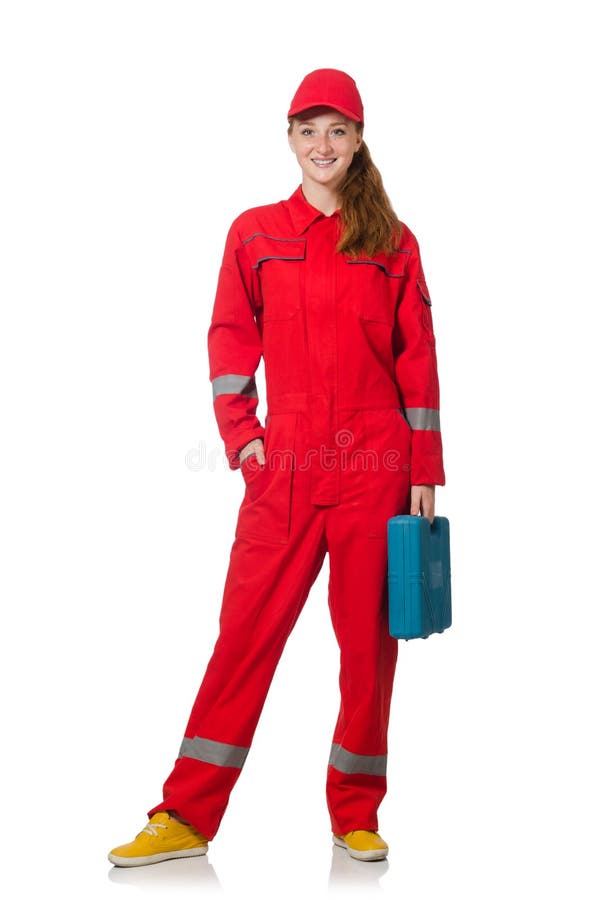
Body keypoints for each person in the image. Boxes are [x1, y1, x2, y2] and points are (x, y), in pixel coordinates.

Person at [108, 67, 445, 867]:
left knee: (368, 647)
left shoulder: (393, 241)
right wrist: (244, 439)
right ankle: (186, 813)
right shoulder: (254, 232)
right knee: (243, 639)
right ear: (289, 138)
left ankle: (355, 812)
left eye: (337, 131)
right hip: (284, 470)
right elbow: (229, 338)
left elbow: (419, 362)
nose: (321, 145)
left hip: (376, 469)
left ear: (359, 140)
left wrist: (424, 469)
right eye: (307, 130)